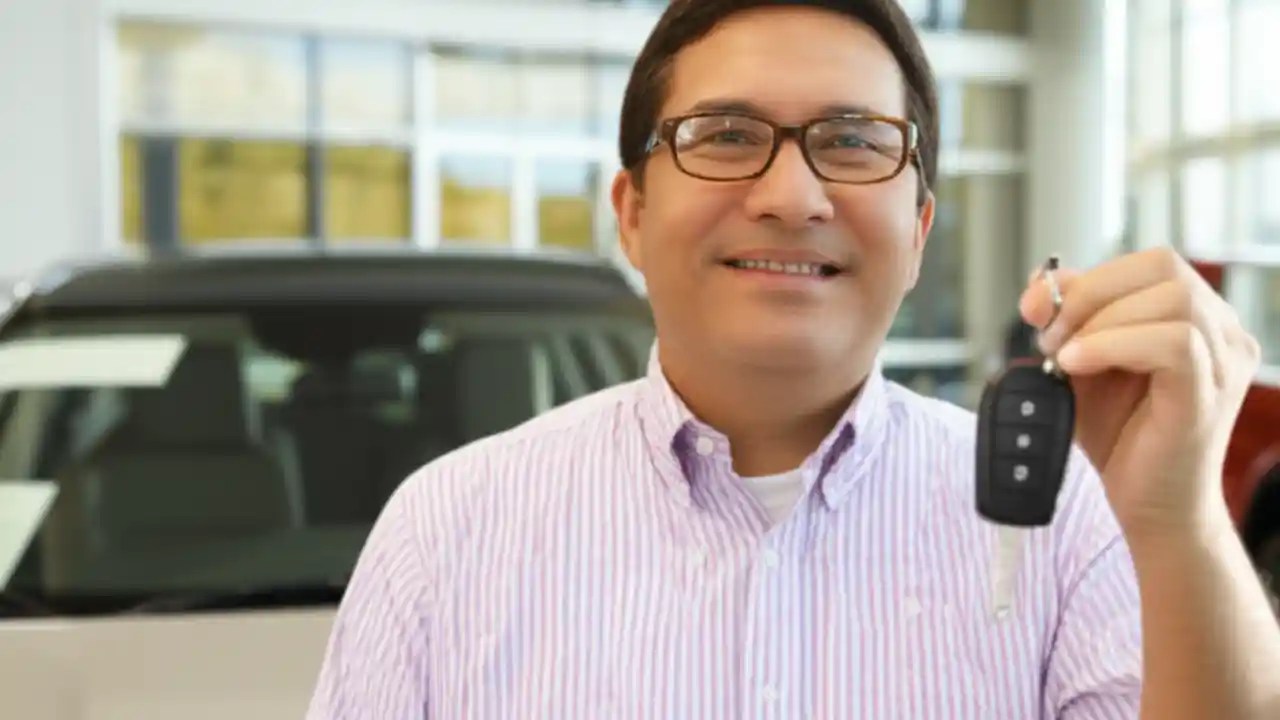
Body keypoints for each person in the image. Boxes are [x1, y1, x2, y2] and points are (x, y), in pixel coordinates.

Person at [305, 1, 1280, 717]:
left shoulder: (1073, 520)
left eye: (852, 142)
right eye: (725, 136)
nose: (789, 194)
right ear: (632, 215)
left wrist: (1174, 519)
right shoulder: (446, 533)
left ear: (917, 231)